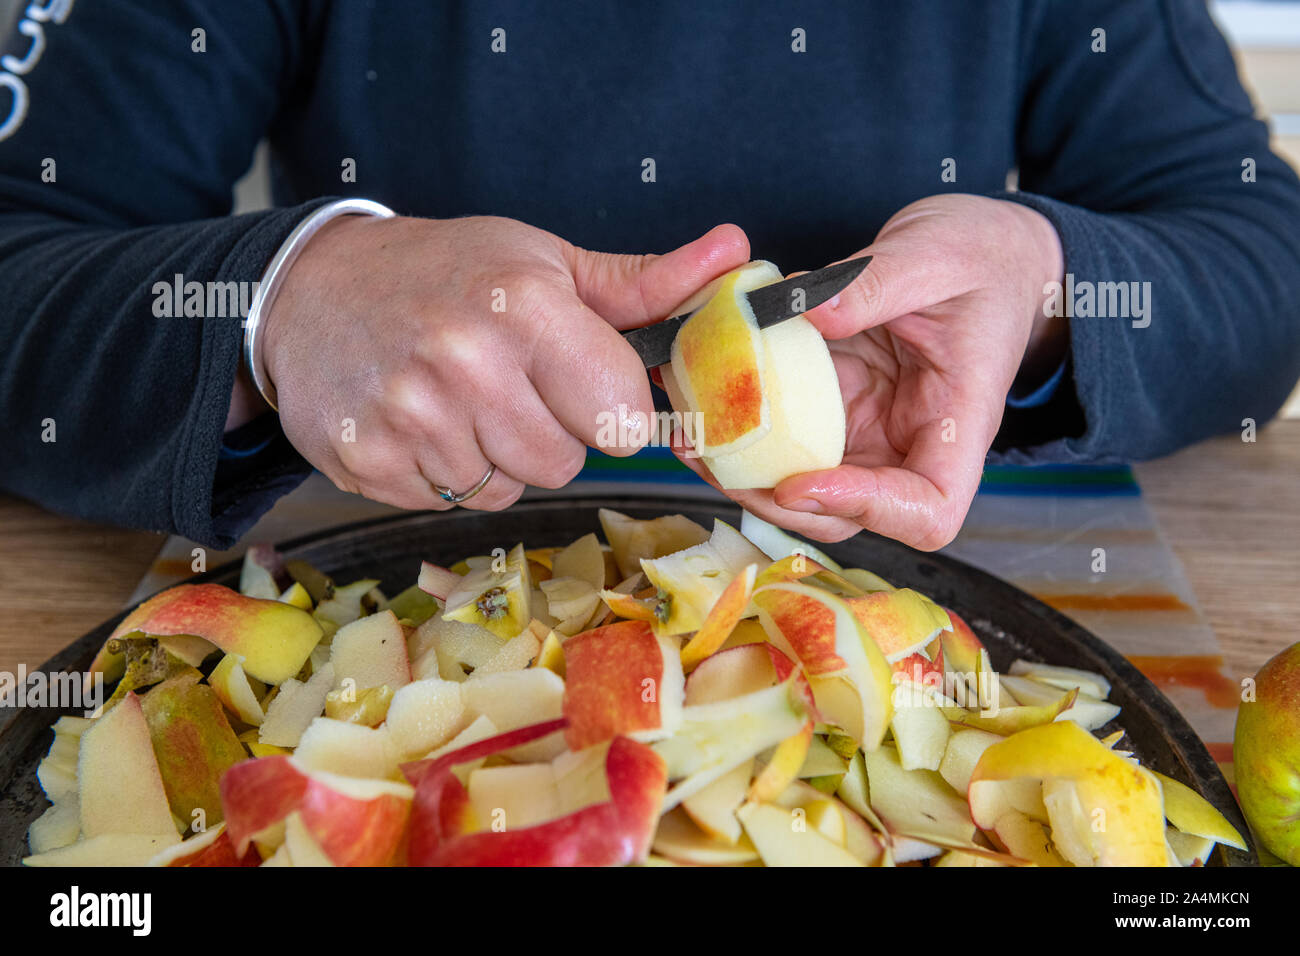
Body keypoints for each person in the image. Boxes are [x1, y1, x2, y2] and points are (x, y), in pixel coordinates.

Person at [1, 0, 1297, 552]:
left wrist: (1047, 289)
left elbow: (1262, 255)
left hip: (923, 635)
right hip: (388, 619)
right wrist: (283, 299)